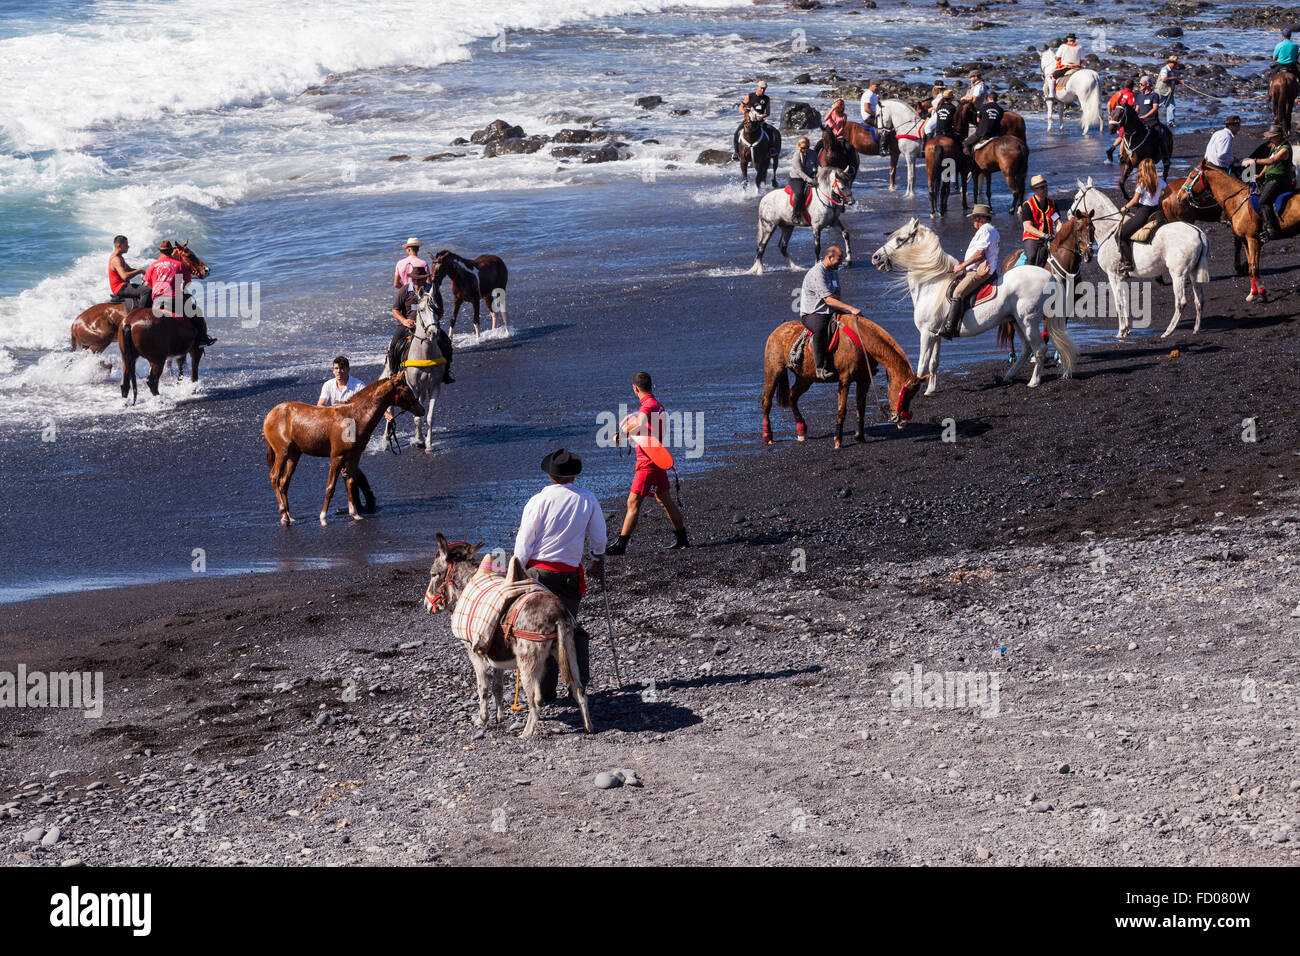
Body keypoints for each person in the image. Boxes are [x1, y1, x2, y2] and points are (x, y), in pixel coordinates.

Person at [513, 448, 606, 703]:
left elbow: (525, 542)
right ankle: (578, 684)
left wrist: (516, 571)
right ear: (574, 475)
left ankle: (544, 692)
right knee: (567, 627)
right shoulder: (587, 499)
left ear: (549, 475)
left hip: (537, 577)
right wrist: (597, 559)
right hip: (568, 576)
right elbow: (598, 537)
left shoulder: (538, 501)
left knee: (540, 634)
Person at [604, 371, 690, 555]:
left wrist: (622, 435)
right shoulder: (658, 406)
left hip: (647, 462)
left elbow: (641, 424)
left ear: (635, 389)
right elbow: (656, 431)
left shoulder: (646, 407)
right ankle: (682, 539)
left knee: (633, 502)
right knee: (665, 500)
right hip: (658, 457)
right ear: (651, 386)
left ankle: (621, 544)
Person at [385, 263, 453, 404]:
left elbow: (440, 312)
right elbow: (395, 310)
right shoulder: (404, 290)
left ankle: (446, 373)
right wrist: (404, 321)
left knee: (446, 343)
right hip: (408, 325)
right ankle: (394, 373)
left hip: (429, 325)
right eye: (415, 279)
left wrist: (433, 321)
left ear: (424, 279)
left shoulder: (433, 292)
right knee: (394, 345)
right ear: (411, 279)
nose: (417, 282)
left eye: (420, 279)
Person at [798, 245, 860, 379]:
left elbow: (837, 296)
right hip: (814, 312)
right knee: (820, 330)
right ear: (830, 257)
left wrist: (833, 298)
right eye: (839, 259)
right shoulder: (817, 273)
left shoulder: (833, 271)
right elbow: (829, 300)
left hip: (831, 309)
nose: (841, 262)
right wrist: (850, 308)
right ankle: (820, 368)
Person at [942, 204, 999, 340]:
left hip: (980, 272)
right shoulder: (991, 230)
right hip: (977, 268)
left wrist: (962, 267)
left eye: (974, 218)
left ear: (981, 218)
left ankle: (950, 328)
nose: (973, 220)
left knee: (958, 292)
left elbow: (979, 254)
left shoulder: (985, 230)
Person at [145, 240, 216, 346]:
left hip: (157, 300)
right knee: (197, 314)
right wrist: (181, 288)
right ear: (171, 251)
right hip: (173, 300)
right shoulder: (178, 264)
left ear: (160, 252)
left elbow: (148, 285)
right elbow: (187, 281)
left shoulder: (153, 265)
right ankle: (202, 339)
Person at [1242, 125, 1294, 241]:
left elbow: (1272, 160)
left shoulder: (1285, 149)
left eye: (1272, 137)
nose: (1270, 139)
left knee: (1263, 201)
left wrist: (1254, 161)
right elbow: (1268, 163)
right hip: (1271, 179)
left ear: (1279, 136)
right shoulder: (1275, 146)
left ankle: (1273, 230)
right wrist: (1260, 175)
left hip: (1280, 180)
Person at [1117, 158, 1165, 274]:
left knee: (1121, 234)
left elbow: (1134, 200)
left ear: (1143, 170)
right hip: (1157, 210)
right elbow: (1165, 193)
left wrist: (1125, 207)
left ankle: (1127, 263)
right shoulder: (1160, 181)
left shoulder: (1142, 183)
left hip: (1144, 212)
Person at [1019, 174, 1060, 268]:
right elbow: (1028, 227)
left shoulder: (1053, 204)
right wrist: (1044, 235)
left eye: (1046, 186)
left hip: (1049, 236)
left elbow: (1058, 222)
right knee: (1032, 256)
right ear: (1035, 190)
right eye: (1042, 187)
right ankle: (1027, 277)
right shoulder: (1027, 205)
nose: (1045, 189)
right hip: (1032, 237)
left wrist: (1060, 234)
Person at [107, 235, 150, 313]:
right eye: (126, 245)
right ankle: (138, 314)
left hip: (123, 286)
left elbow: (129, 269)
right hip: (120, 288)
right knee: (146, 291)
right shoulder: (116, 259)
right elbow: (125, 276)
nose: (128, 246)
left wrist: (145, 272)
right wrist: (139, 271)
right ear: (119, 246)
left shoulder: (120, 257)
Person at [734, 80, 773, 158]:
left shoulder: (766, 99)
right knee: (737, 133)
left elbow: (768, 113)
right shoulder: (750, 96)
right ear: (757, 87)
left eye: (764, 89)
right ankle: (736, 153)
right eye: (761, 88)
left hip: (759, 121)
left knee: (770, 132)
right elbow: (741, 107)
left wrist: (761, 117)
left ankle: (770, 150)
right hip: (749, 120)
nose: (762, 90)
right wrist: (745, 113)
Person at [964, 89, 1004, 163]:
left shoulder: (983, 107)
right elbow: (999, 120)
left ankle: (970, 162)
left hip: (983, 133)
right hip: (995, 133)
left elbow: (978, 120)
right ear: (996, 99)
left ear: (989, 98)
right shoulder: (1000, 109)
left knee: (966, 143)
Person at [1106, 77, 1137, 163]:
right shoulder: (1130, 95)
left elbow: (1109, 104)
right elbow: (1131, 108)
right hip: (1123, 119)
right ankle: (1120, 156)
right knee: (1124, 136)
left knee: (1121, 136)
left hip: (1115, 118)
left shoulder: (1118, 93)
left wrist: (1110, 115)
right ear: (1132, 87)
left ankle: (1112, 150)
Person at [788, 136, 818, 220]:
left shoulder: (813, 153)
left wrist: (823, 173)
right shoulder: (796, 155)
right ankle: (795, 215)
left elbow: (818, 166)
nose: (805, 149)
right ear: (799, 147)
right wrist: (809, 180)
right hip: (796, 178)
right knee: (799, 193)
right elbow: (799, 171)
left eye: (807, 147)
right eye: (803, 148)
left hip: (810, 176)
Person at [1155, 55, 1180, 129]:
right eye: (1174, 64)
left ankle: (1170, 123)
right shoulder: (1164, 69)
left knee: (1171, 106)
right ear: (1171, 63)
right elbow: (1164, 79)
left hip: (1169, 92)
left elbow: (1172, 81)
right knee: (1156, 106)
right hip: (1161, 91)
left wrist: (1178, 81)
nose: (1175, 65)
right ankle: (1150, 120)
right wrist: (1173, 78)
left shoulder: (1172, 71)